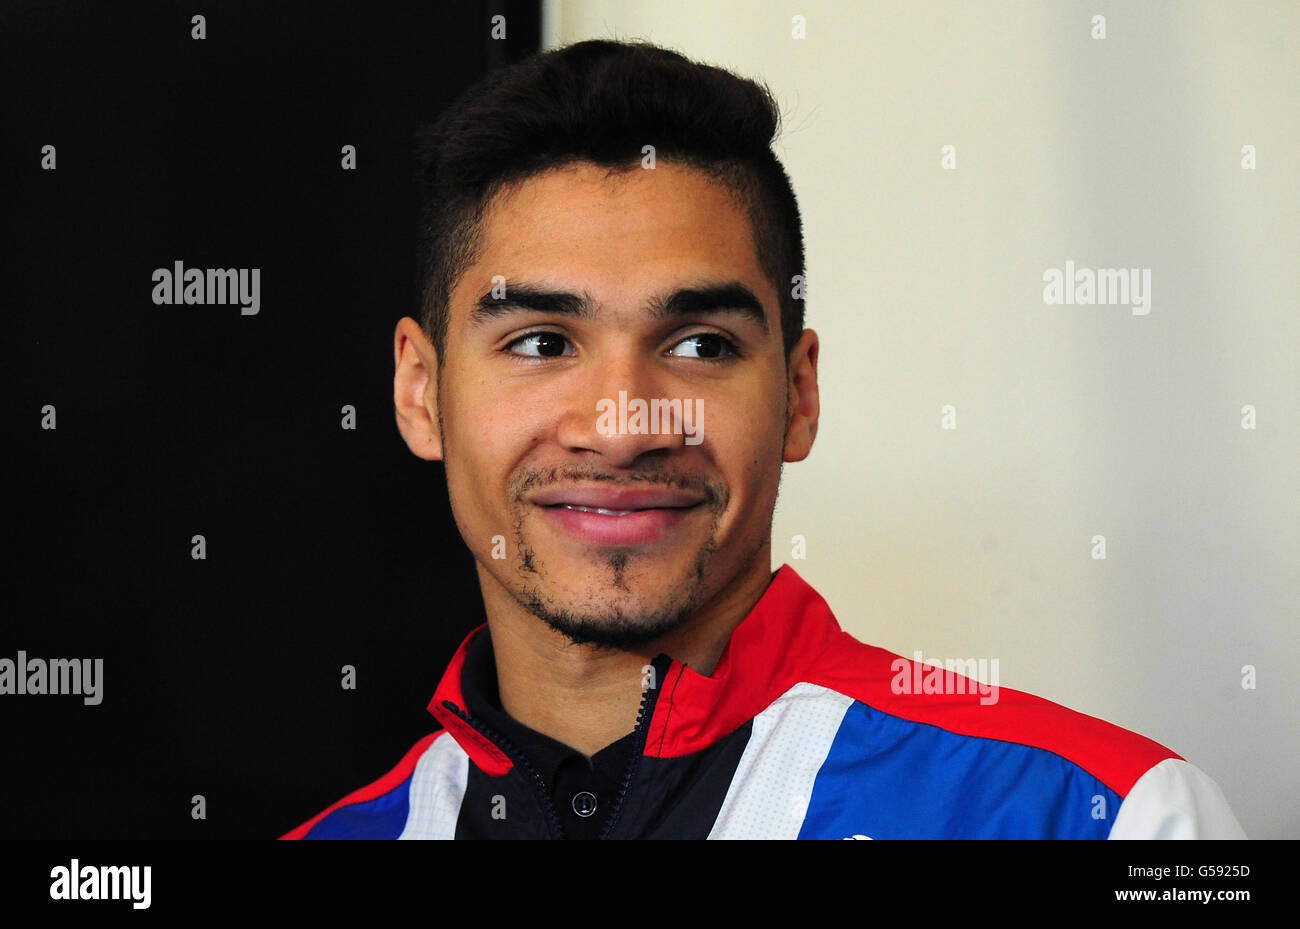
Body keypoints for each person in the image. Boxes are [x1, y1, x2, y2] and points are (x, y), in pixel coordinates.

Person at [282, 39, 1244, 840]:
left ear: (797, 395)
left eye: (699, 344)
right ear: (421, 392)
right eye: (541, 341)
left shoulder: (1113, 821)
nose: (623, 428)